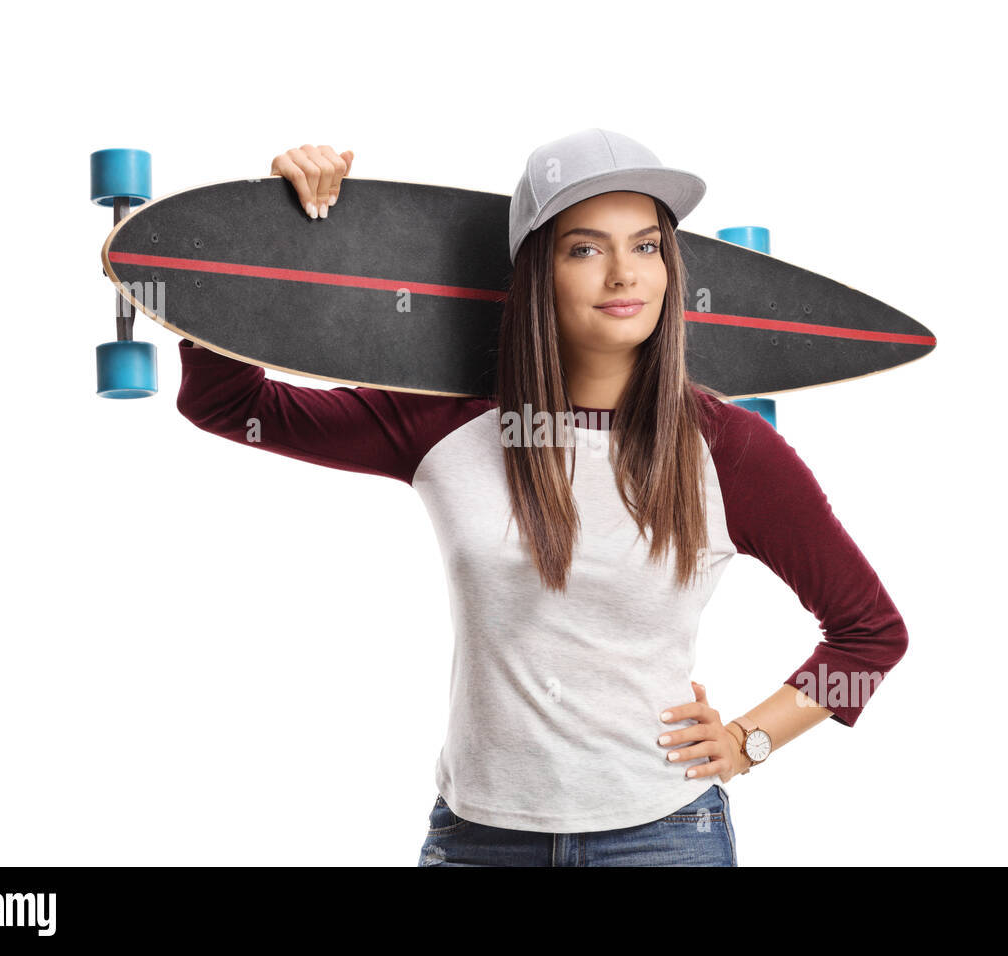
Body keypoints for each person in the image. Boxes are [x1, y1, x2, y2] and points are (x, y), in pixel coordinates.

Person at [176, 129, 909, 867]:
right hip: (480, 839)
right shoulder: (448, 421)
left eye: (647, 246)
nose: (624, 274)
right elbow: (230, 404)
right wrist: (265, 230)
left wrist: (749, 740)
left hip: (666, 835)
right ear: (538, 273)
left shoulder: (729, 448)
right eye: (585, 249)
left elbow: (870, 634)